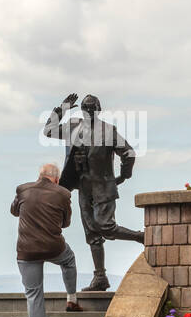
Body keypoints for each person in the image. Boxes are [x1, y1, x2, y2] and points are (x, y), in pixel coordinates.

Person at [42, 93, 144, 291]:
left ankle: (141, 237)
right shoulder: (72, 127)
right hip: (82, 187)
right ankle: (100, 277)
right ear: (81, 110)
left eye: (91, 107)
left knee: (105, 226)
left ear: (97, 110)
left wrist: (123, 176)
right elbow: (48, 130)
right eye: (85, 107)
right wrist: (62, 109)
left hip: (103, 187)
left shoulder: (108, 131)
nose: (88, 110)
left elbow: (128, 153)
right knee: (91, 233)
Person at [12, 163, 84, 317]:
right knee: (68, 260)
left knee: (34, 294)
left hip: (27, 250)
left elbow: (14, 211)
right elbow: (66, 223)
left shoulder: (22, 190)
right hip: (53, 246)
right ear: (57, 179)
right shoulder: (62, 193)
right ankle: (71, 299)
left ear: (39, 176)